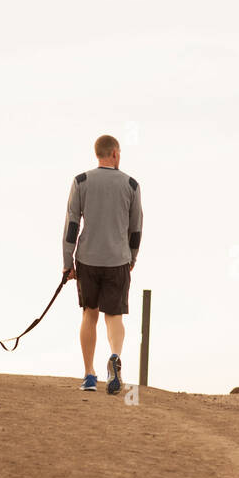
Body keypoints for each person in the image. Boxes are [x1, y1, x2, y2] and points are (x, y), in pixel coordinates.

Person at [62, 134, 143, 394]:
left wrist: (67, 262)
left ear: (98, 154)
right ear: (115, 154)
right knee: (114, 316)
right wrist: (132, 256)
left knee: (89, 314)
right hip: (118, 259)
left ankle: (88, 375)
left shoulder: (81, 181)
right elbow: (136, 228)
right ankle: (115, 356)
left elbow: (72, 225)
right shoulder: (131, 184)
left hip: (87, 259)